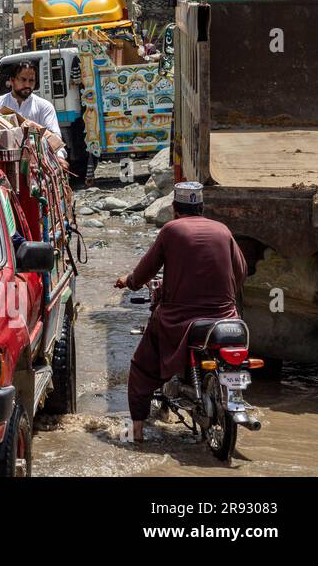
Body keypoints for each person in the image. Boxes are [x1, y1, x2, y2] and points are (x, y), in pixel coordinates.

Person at [114, 182, 247, 443]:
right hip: (226, 317)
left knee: (140, 368)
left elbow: (145, 271)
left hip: (180, 319)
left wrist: (129, 281)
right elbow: (240, 272)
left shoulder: (171, 230)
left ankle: (136, 432)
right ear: (201, 207)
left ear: (175, 208)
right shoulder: (222, 230)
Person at [0, 60, 66, 162]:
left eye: (31, 80)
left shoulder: (44, 106)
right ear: (12, 80)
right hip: (2, 164)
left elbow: (55, 138)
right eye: (23, 80)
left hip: (35, 166)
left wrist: (60, 158)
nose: (27, 85)